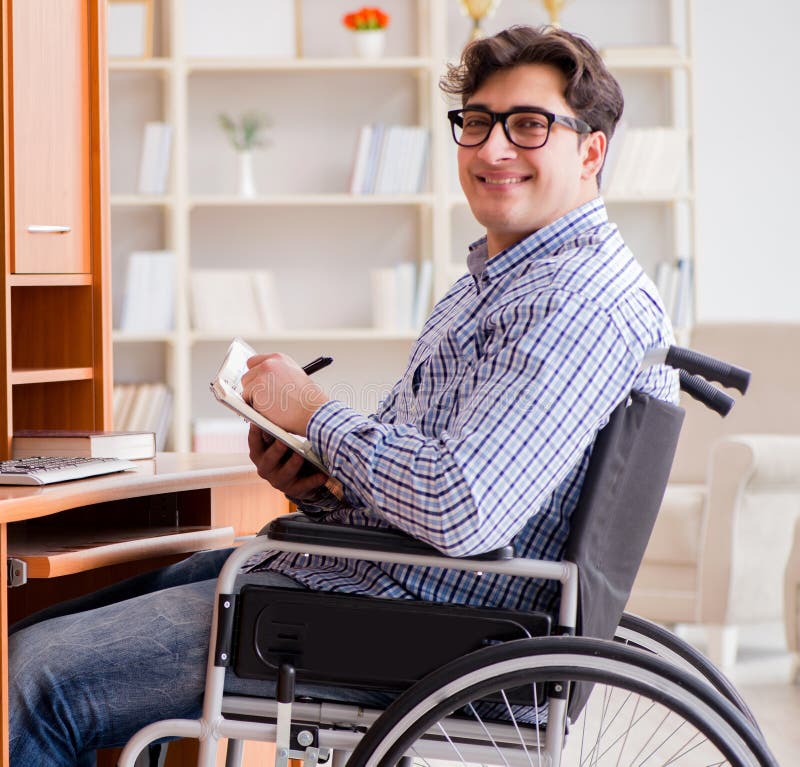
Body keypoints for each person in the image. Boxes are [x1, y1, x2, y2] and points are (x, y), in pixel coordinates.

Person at [8, 25, 677, 766]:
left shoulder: (576, 301)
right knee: (39, 626)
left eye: (528, 126)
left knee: (34, 679)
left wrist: (316, 415)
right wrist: (319, 481)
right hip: (381, 589)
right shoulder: (499, 283)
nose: (492, 150)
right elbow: (438, 474)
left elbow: (462, 505)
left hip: (423, 622)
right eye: (478, 122)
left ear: (590, 151)